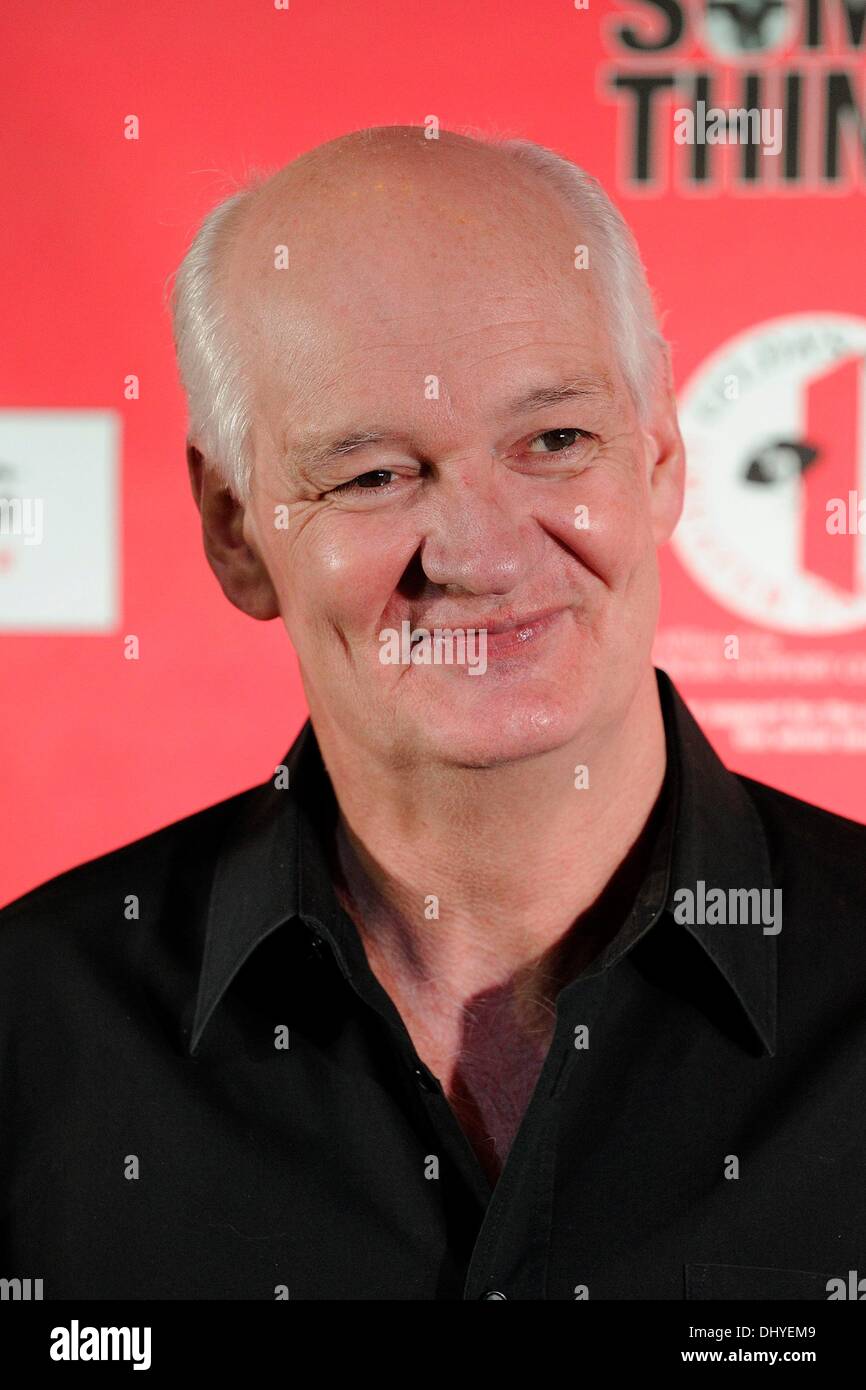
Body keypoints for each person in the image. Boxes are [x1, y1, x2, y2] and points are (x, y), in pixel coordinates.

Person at [2, 125, 865, 1301]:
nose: (480, 553)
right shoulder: (32, 1029)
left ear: (658, 459)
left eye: (554, 440)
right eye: (371, 475)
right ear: (232, 531)